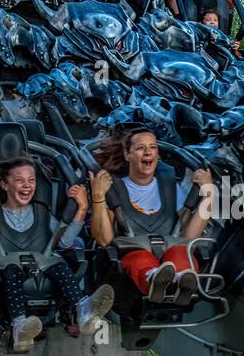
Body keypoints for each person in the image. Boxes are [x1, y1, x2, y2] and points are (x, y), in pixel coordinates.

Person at [0, 155, 114, 351]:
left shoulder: (41, 213)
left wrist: (82, 208)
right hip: (6, 268)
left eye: (31, 180)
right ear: (4, 185)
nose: (27, 186)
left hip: (41, 265)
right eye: (19, 181)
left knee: (59, 265)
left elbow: (65, 242)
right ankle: (19, 326)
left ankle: (82, 309)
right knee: (12, 271)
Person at [88, 127, 213, 303]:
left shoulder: (171, 187)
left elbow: (189, 236)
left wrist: (209, 194)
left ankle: (180, 281)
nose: (148, 152)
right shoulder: (114, 188)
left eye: (153, 147)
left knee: (180, 254)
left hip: (171, 251)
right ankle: (154, 279)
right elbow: (104, 240)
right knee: (141, 258)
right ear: (127, 154)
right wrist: (98, 197)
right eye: (140, 148)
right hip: (131, 256)